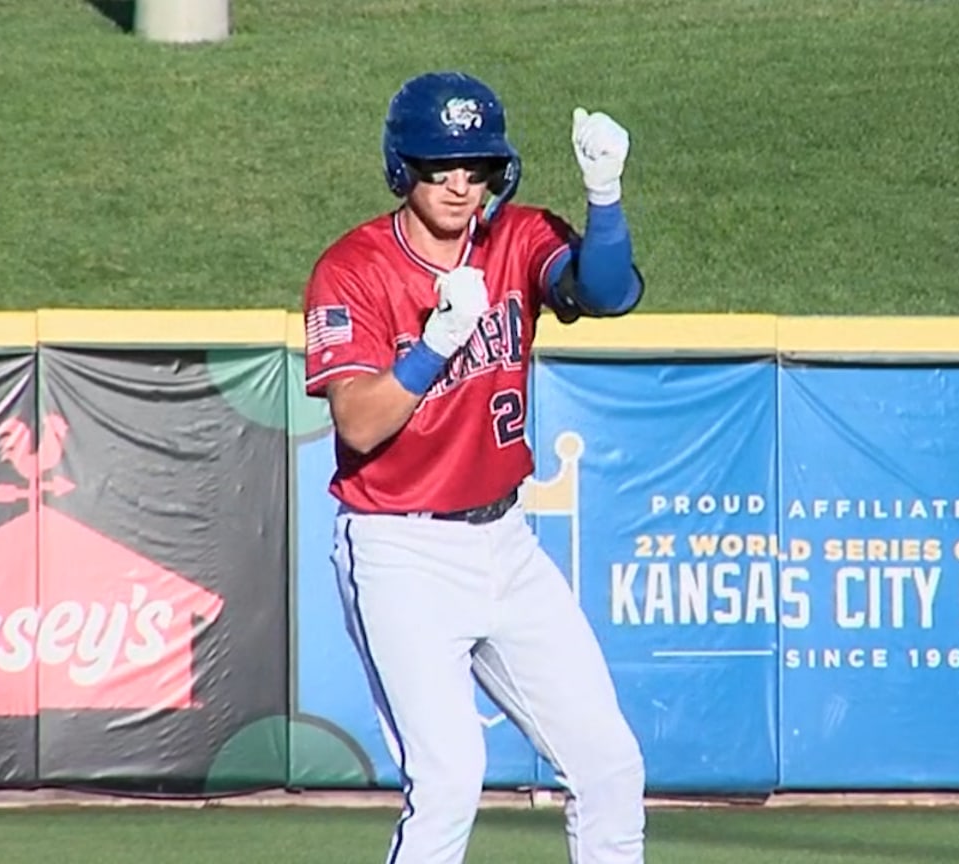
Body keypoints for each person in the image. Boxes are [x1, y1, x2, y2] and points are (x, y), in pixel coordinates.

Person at [301, 70, 647, 864]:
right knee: (451, 780)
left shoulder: (515, 237)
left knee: (610, 767)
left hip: (505, 540)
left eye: (476, 166)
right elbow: (356, 423)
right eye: (438, 166)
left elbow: (608, 293)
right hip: (400, 549)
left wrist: (605, 196)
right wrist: (432, 348)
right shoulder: (352, 267)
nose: (460, 184)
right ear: (403, 168)